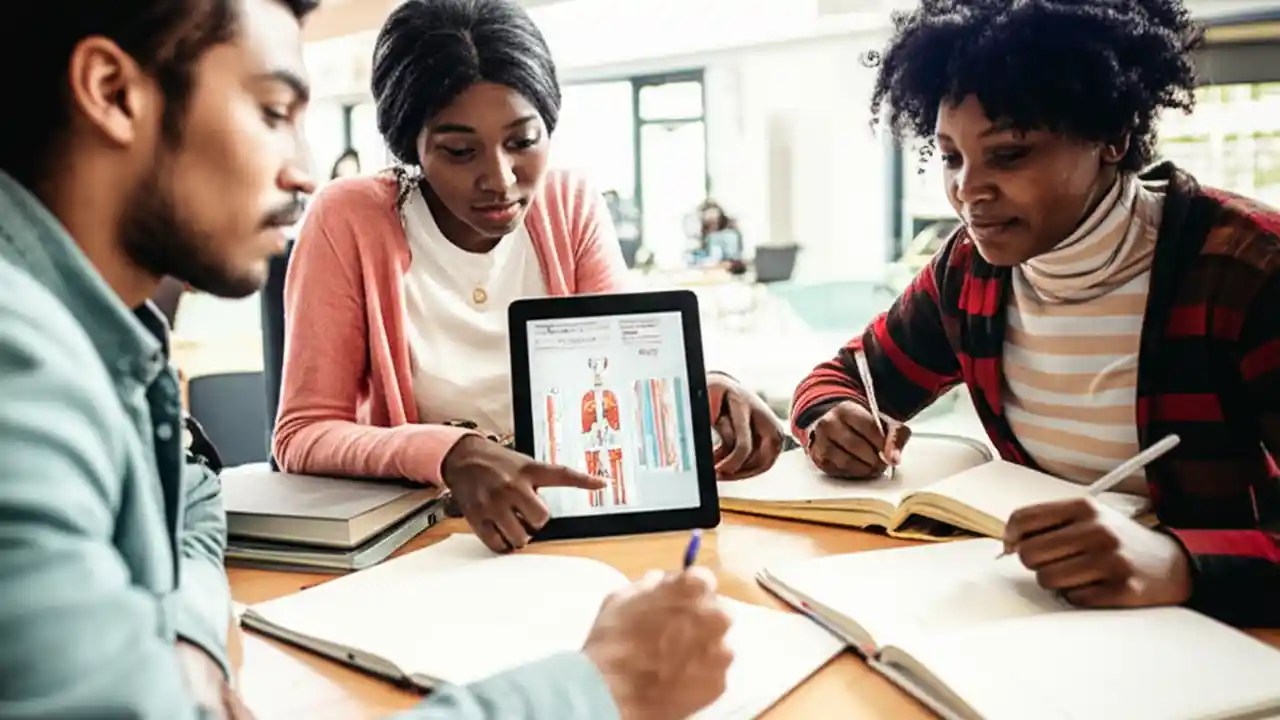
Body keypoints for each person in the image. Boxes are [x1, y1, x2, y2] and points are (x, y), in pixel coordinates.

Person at [0, 1, 732, 718]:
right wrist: (598, 689)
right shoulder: (24, 373)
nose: (303, 170)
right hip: (431, 577)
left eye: (522, 141)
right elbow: (292, 437)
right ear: (111, 93)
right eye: (273, 112)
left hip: (551, 558)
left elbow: (190, 498)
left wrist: (189, 645)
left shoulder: (114, 345)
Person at [793, 0, 1280, 628]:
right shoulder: (968, 272)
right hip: (1039, 613)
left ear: (1113, 137)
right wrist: (829, 419)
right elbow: (843, 377)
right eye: (951, 157)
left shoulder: (1248, 270)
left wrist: (1181, 563)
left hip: (1224, 634)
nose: (968, 190)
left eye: (1009, 154)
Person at [274, 0, 785, 554]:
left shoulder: (569, 203)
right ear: (411, 145)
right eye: (460, 151)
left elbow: (616, 377)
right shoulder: (348, 218)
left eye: (522, 142)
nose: (499, 179)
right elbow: (302, 434)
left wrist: (703, 391)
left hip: (568, 532)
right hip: (430, 549)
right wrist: (447, 453)